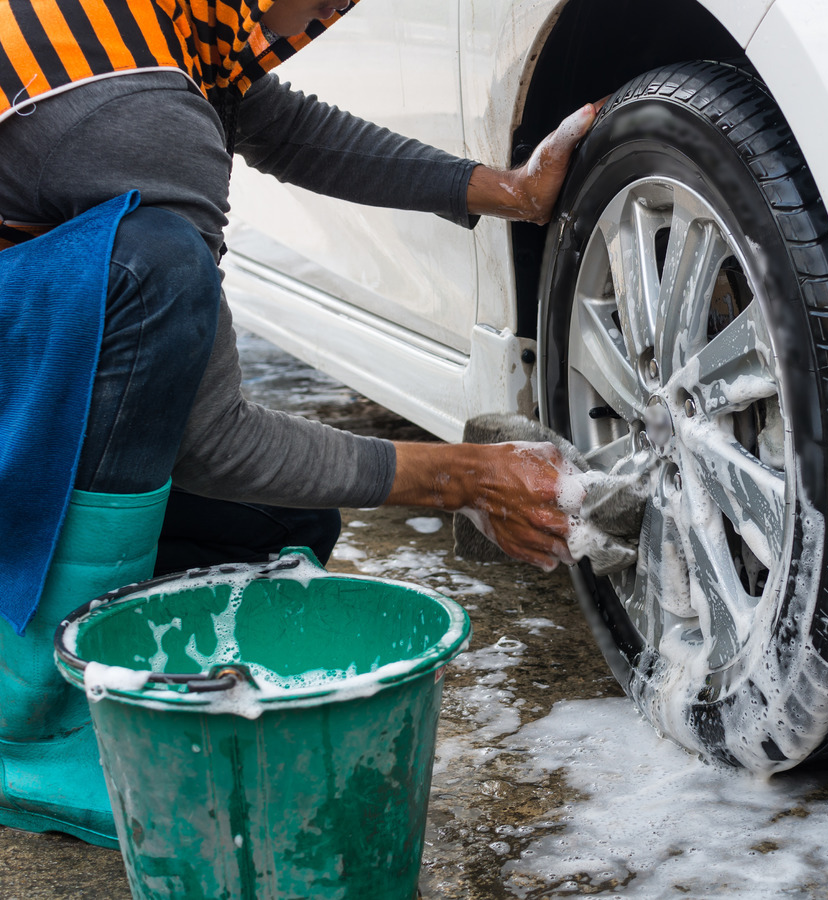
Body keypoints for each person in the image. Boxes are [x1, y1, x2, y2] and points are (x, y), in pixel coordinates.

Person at [0, 0, 598, 847]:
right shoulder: (130, 109)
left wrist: (508, 192)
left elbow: (277, 125)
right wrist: (467, 475)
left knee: (283, 526)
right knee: (160, 276)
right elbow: (218, 444)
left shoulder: (144, 29)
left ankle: (55, 645)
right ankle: (34, 731)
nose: (327, 14)